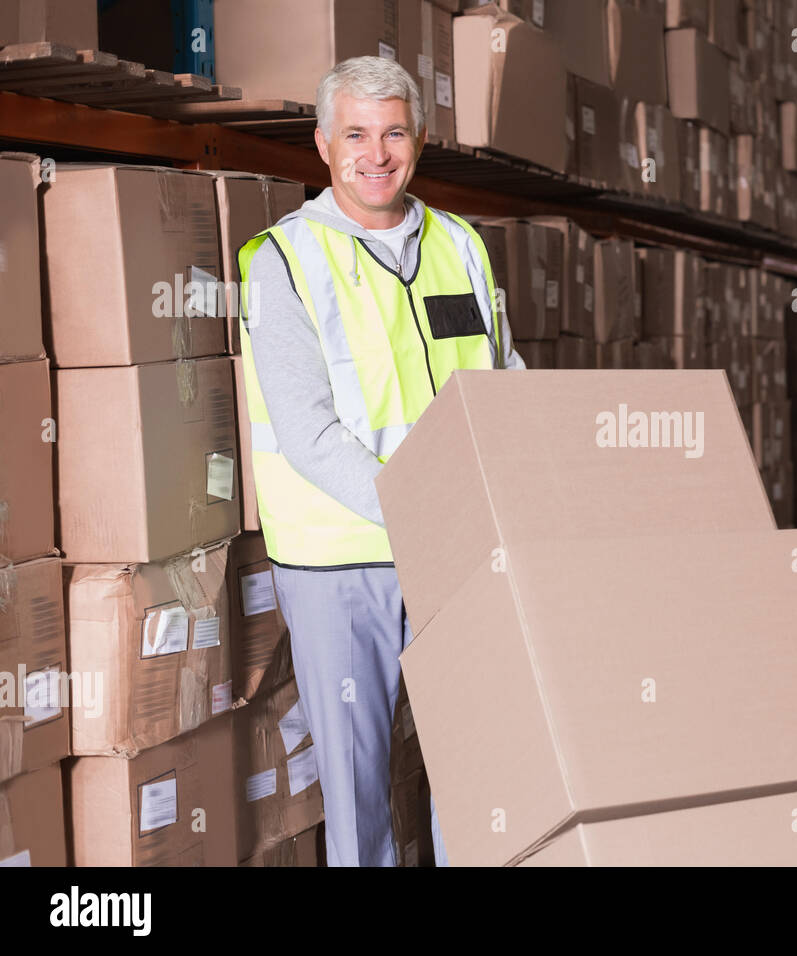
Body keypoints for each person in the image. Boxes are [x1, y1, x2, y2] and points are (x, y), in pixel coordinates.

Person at [237, 56, 524, 864]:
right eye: (355, 133)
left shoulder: (460, 244)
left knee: (478, 768)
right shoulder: (282, 261)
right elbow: (308, 433)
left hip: (458, 557)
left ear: (420, 140)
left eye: (393, 132)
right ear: (323, 143)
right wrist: (429, 512)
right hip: (342, 566)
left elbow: (503, 376)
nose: (376, 153)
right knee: (359, 789)